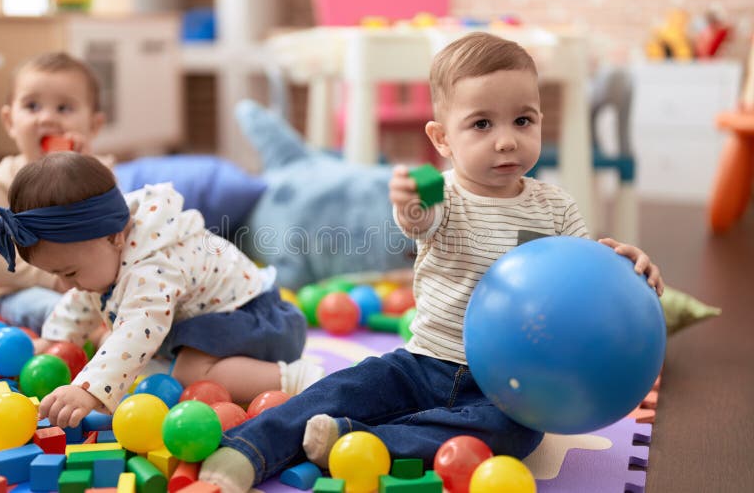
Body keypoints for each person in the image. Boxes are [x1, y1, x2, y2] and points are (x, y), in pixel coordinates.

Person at [196, 32, 665, 493]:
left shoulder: (556, 206)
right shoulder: (444, 194)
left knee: (515, 436)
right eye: (482, 124)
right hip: (426, 361)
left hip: (506, 387)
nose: (506, 141)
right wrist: (410, 203)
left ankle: (361, 443)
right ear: (442, 139)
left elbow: (581, 282)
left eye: (523, 121)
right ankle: (249, 450)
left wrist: (627, 266)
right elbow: (420, 219)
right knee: (341, 389)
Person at [0, 152, 323, 427]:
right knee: (142, 354)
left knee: (188, 372)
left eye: (69, 272)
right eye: (57, 273)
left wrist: (88, 390)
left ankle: (293, 377)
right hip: (214, 323)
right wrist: (56, 339)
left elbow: (136, 330)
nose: (64, 284)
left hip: (260, 322)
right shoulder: (105, 244)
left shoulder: (152, 266)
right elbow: (84, 298)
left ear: (115, 236)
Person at [0, 52, 108, 334]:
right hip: (21, 291)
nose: (47, 118)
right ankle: (100, 341)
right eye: (32, 106)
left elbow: (115, 230)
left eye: (64, 108)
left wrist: (88, 174)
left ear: (93, 126)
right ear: (10, 121)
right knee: (57, 310)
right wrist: (55, 281)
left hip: (90, 286)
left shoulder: (99, 176)